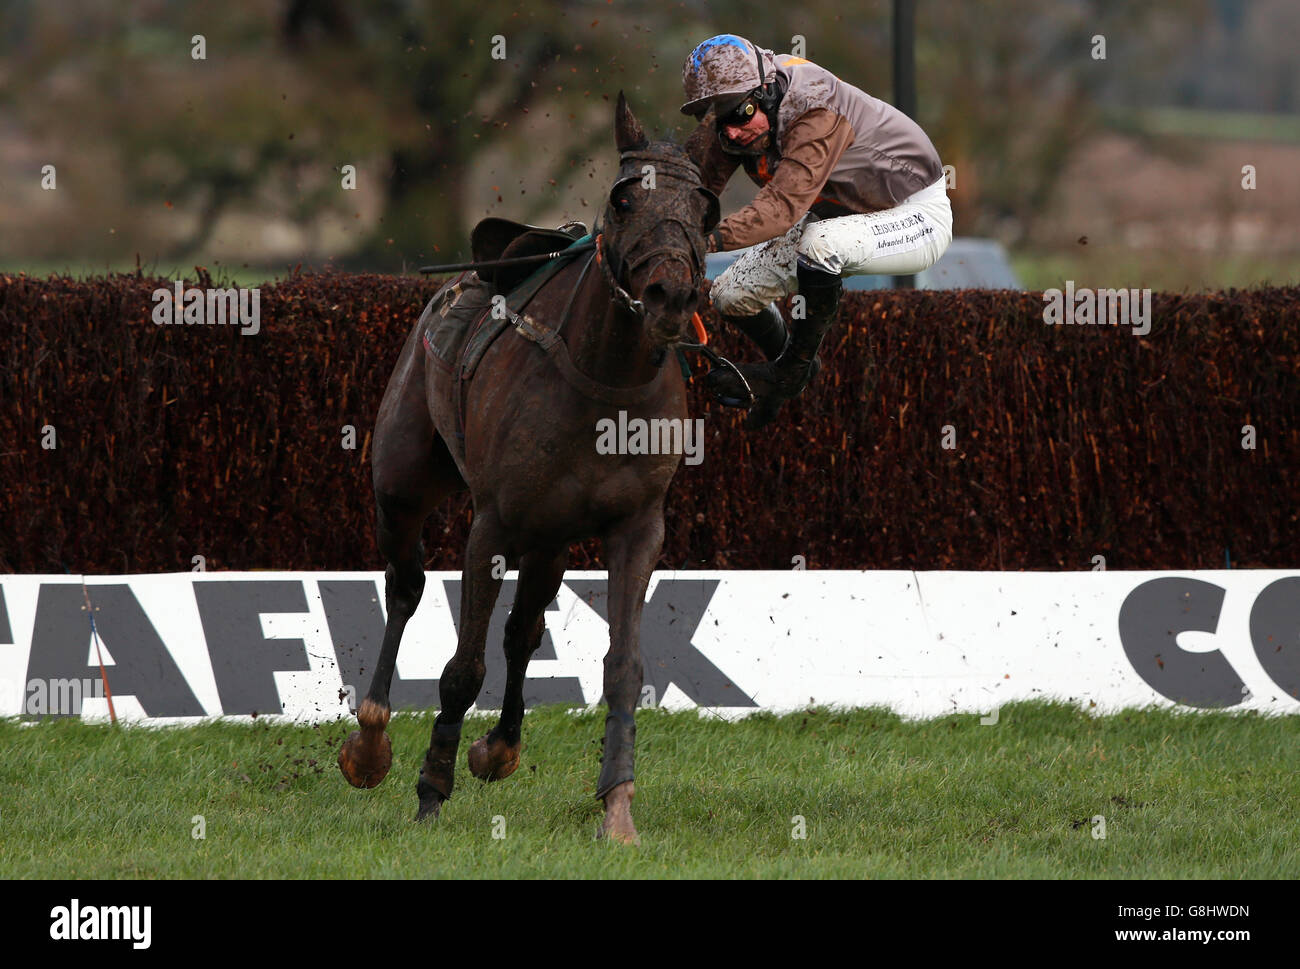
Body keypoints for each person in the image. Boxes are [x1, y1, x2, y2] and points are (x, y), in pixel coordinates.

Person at [681, 34, 952, 428]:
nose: (733, 132)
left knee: (820, 243)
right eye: (720, 122)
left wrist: (702, 242)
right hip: (835, 218)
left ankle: (789, 371)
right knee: (728, 294)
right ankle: (796, 374)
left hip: (915, 213)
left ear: (767, 90)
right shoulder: (741, 110)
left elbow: (780, 212)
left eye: (740, 115)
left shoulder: (815, 108)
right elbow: (696, 191)